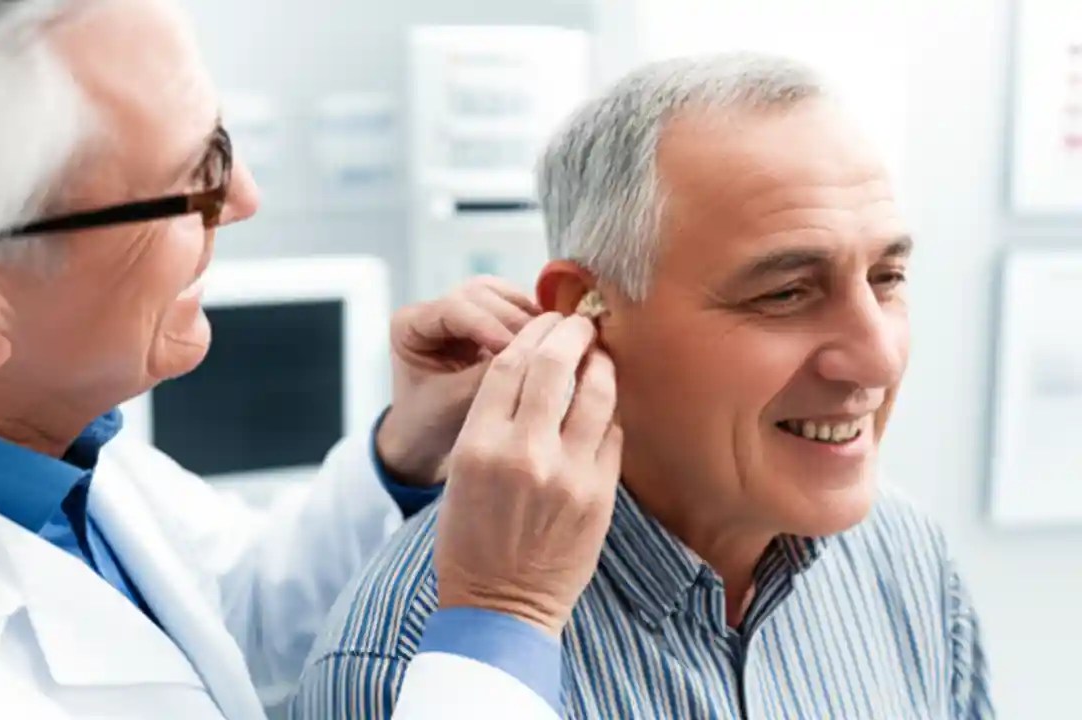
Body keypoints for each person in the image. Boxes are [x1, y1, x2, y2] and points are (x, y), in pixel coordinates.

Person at [0, 1, 621, 718]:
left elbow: (234, 618)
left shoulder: (30, 432)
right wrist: (501, 614)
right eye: (197, 181)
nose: (244, 200)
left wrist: (404, 449)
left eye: (222, 144)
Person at [294, 52, 995, 719]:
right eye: (785, 293)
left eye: (888, 279)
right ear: (585, 313)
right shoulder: (405, 667)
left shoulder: (905, 556)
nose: (877, 360)